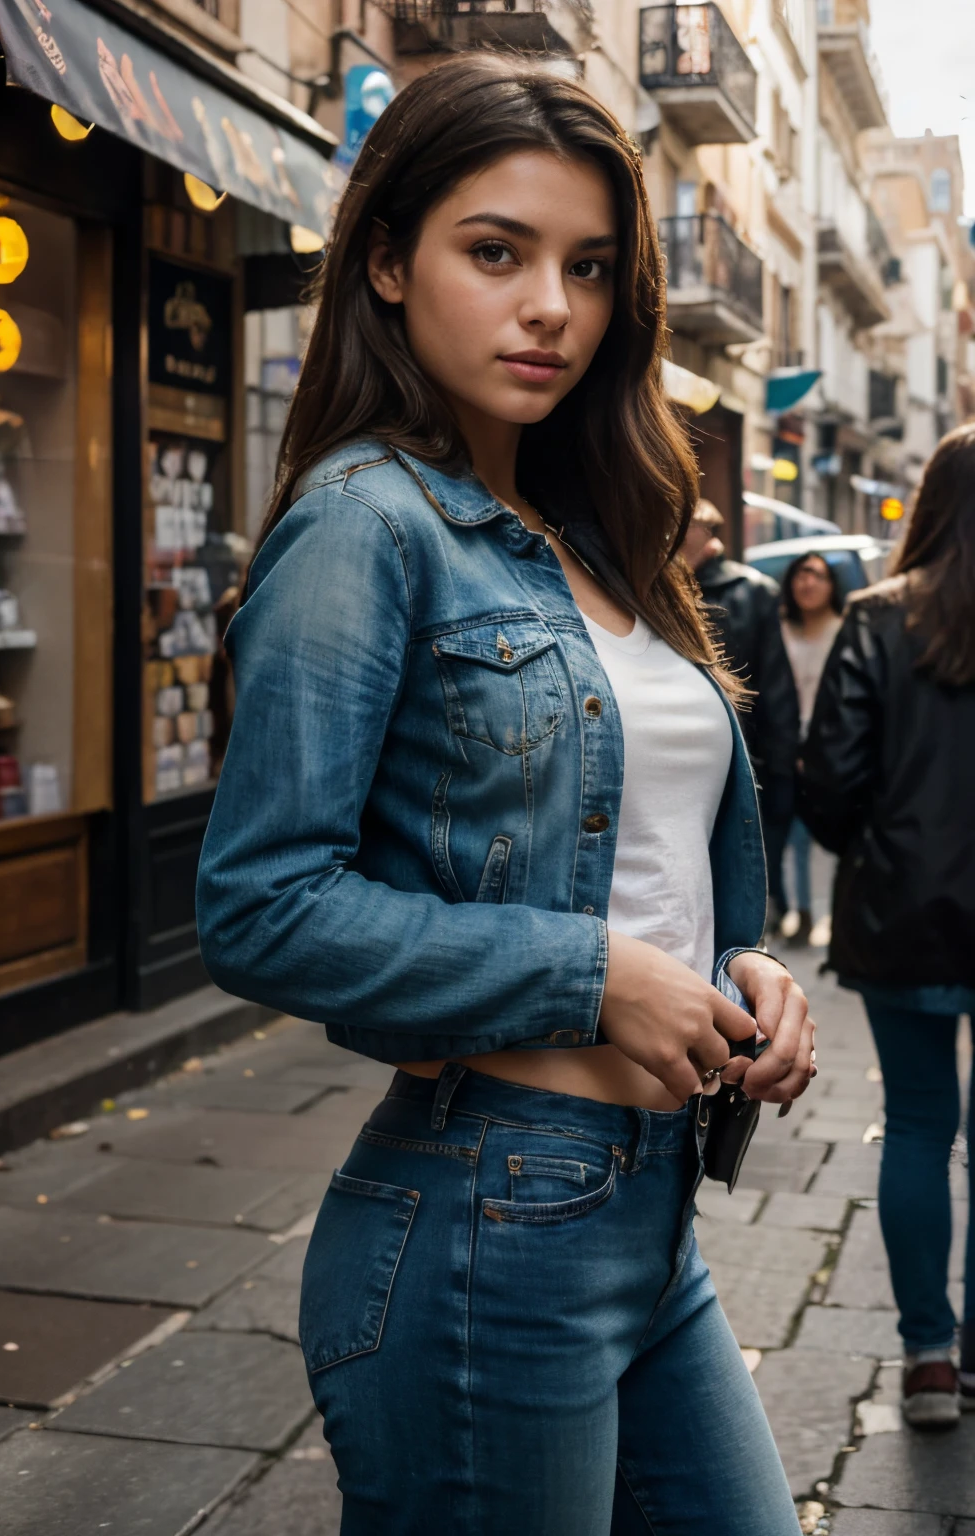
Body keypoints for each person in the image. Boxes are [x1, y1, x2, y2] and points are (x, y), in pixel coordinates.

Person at [197, 56, 816, 1533]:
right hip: (489, 1218)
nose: (552, 305)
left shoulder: (595, 537)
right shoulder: (366, 524)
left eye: (589, 268)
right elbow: (261, 905)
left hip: (651, 1205)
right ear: (392, 264)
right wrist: (594, 975)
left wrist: (739, 966)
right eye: (498, 252)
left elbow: (632, 846)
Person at [799, 422, 975, 1430]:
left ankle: (927, 1359)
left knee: (916, 1124)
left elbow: (828, 785)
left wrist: (874, 842)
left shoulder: (875, 621)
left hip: (901, 912)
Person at [682, 501, 800, 931]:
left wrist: (783, 761)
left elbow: (775, 684)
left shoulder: (753, 590)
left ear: (703, 530)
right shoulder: (657, 584)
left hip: (749, 753)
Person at [778, 552, 844, 946]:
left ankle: (836, 916)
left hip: (834, 747)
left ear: (831, 585)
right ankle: (801, 912)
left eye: (817, 575)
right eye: (800, 575)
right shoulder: (780, 629)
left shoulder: (846, 629)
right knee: (796, 837)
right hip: (789, 744)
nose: (807, 583)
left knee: (839, 833)